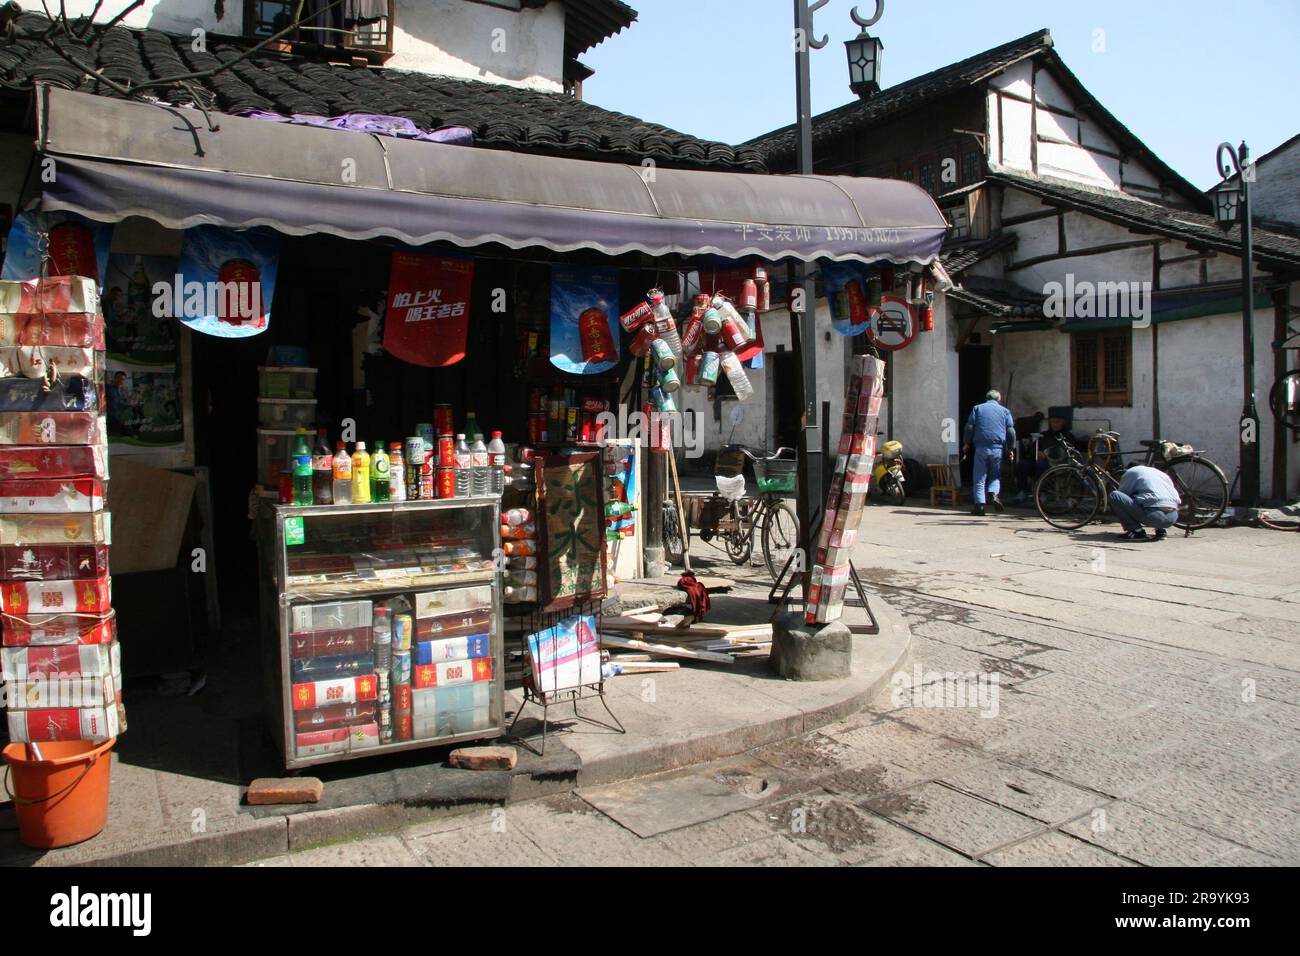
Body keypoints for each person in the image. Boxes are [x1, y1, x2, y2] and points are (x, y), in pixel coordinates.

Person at [963, 389, 1016, 516]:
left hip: (981, 447)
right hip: (997, 448)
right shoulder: (1005, 411)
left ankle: (979, 506)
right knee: (995, 474)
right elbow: (1011, 431)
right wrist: (1011, 448)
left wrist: (966, 443)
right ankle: (993, 494)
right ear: (999, 399)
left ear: (986, 398)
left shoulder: (978, 408)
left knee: (979, 477)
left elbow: (969, 426)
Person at [1016, 406, 1077, 501]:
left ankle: (1043, 492)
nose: (1055, 424)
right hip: (1038, 461)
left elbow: (1066, 451)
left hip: (1056, 464)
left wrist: (1047, 455)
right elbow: (1032, 448)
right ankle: (1023, 491)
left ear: (1063, 422)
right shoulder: (1044, 435)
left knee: (1041, 466)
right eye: (1053, 421)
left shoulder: (1067, 436)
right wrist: (1037, 452)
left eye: (1058, 422)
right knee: (1022, 465)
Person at [1109, 465, 1181, 540]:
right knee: (1156, 499)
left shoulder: (1131, 473)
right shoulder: (1160, 474)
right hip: (1172, 517)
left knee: (1115, 495)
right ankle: (1161, 531)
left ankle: (1137, 532)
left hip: (1153, 516)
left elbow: (1123, 495)